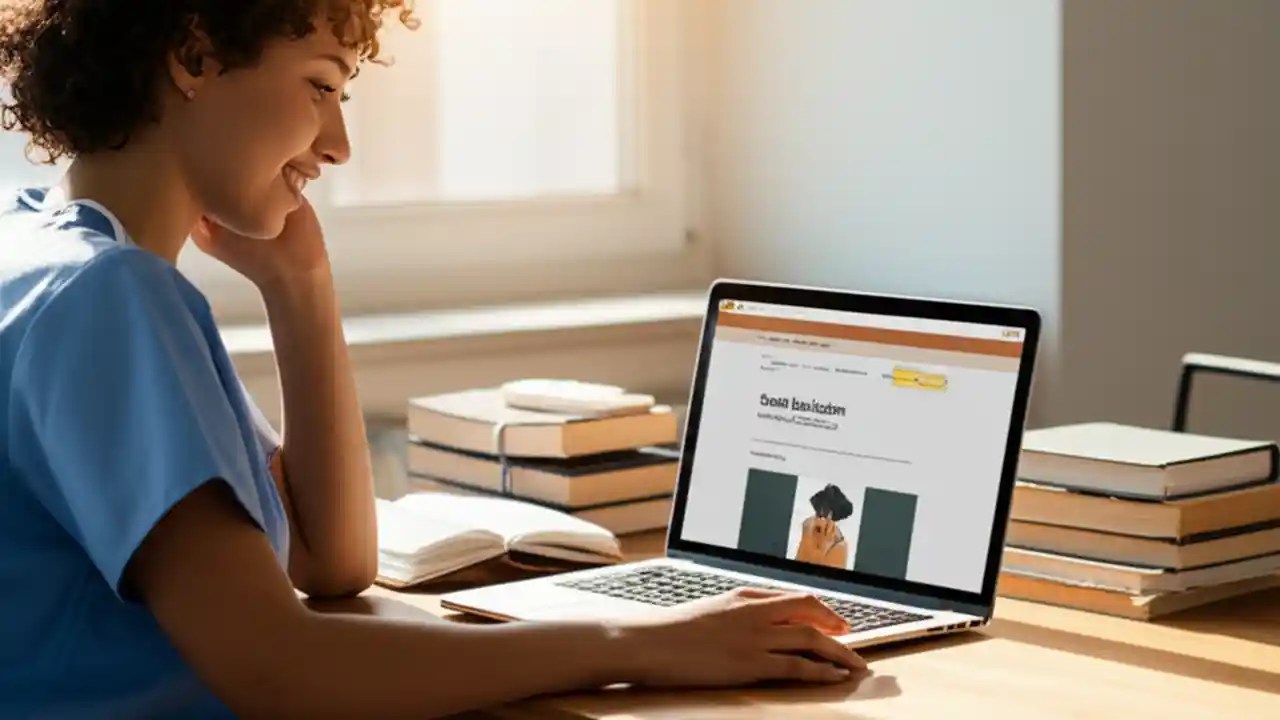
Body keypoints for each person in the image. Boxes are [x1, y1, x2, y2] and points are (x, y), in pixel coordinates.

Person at [0, 1, 865, 717]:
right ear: (193, 55)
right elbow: (279, 667)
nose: (337, 143)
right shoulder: (107, 299)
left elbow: (329, 560)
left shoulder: (51, 254)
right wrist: (644, 644)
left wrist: (302, 287)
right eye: (319, 86)